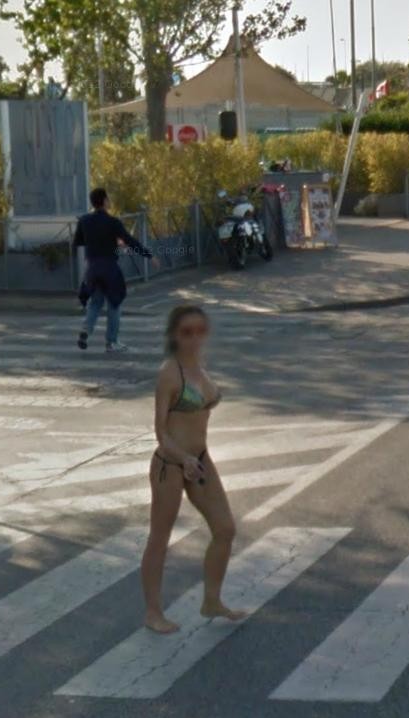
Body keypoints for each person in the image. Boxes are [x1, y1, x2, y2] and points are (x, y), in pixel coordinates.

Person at [142, 305, 245, 634]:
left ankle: (212, 600)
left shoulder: (200, 366)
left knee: (225, 529)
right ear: (174, 335)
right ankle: (153, 612)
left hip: (200, 459)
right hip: (171, 463)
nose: (195, 338)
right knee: (160, 538)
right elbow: (161, 432)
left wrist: (194, 460)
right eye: (187, 332)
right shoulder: (170, 372)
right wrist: (182, 459)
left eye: (201, 330)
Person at [74, 188, 157, 353]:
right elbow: (130, 241)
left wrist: (102, 242)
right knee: (114, 303)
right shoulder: (113, 222)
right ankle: (111, 342)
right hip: (109, 268)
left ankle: (85, 330)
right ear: (104, 201)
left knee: (96, 302)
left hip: (92, 268)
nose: (110, 201)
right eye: (108, 198)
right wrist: (149, 255)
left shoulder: (84, 221)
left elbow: (79, 242)